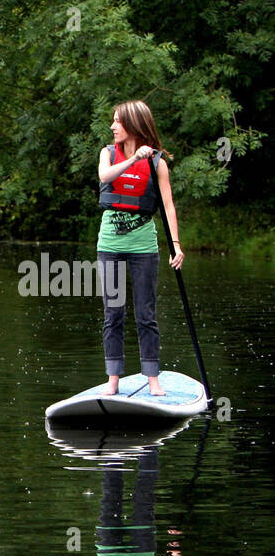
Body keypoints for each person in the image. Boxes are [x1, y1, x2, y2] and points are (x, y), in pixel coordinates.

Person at [96, 100, 183, 397]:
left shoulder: (158, 163)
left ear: (133, 124)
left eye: (117, 121)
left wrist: (176, 246)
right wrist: (133, 161)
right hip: (109, 245)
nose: (112, 126)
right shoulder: (107, 154)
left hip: (143, 247)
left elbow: (168, 207)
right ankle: (113, 380)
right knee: (113, 314)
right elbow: (105, 177)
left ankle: (153, 379)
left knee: (146, 314)